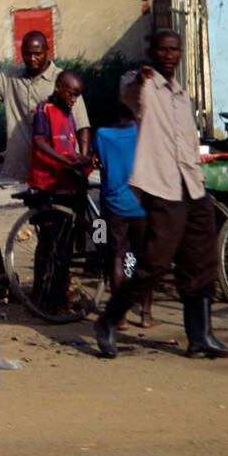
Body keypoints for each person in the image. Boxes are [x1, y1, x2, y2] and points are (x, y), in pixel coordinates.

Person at [95, 30, 228, 359]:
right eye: (162, 49)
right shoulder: (144, 85)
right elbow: (128, 91)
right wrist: (140, 76)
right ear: (152, 51)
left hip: (192, 185)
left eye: (174, 49)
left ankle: (201, 337)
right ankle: (108, 320)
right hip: (161, 187)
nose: (168, 54)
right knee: (155, 262)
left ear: (180, 53)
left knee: (201, 259)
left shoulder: (181, 95)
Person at [0, 24, 92, 182]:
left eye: (37, 54)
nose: (32, 59)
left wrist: (82, 161)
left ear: (47, 51)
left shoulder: (63, 81)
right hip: (31, 169)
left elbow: (82, 125)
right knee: (41, 206)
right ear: (21, 53)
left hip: (64, 166)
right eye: (27, 54)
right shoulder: (12, 80)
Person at [27, 70, 88, 311]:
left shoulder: (67, 112)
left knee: (65, 245)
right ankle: (39, 295)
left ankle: (61, 295)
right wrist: (66, 161)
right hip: (47, 184)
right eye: (71, 94)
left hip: (65, 184)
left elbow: (68, 146)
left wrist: (81, 160)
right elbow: (39, 142)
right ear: (59, 87)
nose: (74, 99)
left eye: (77, 96)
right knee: (48, 242)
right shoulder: (44, 110)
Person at [92, 98, 154, 329]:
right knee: (143, 258)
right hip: (140, 203)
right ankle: (146, 315)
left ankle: (120, 318)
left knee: (116, 256)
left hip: (113, 203)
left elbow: (94, 160)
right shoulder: (140, 133)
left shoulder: (102, 135)